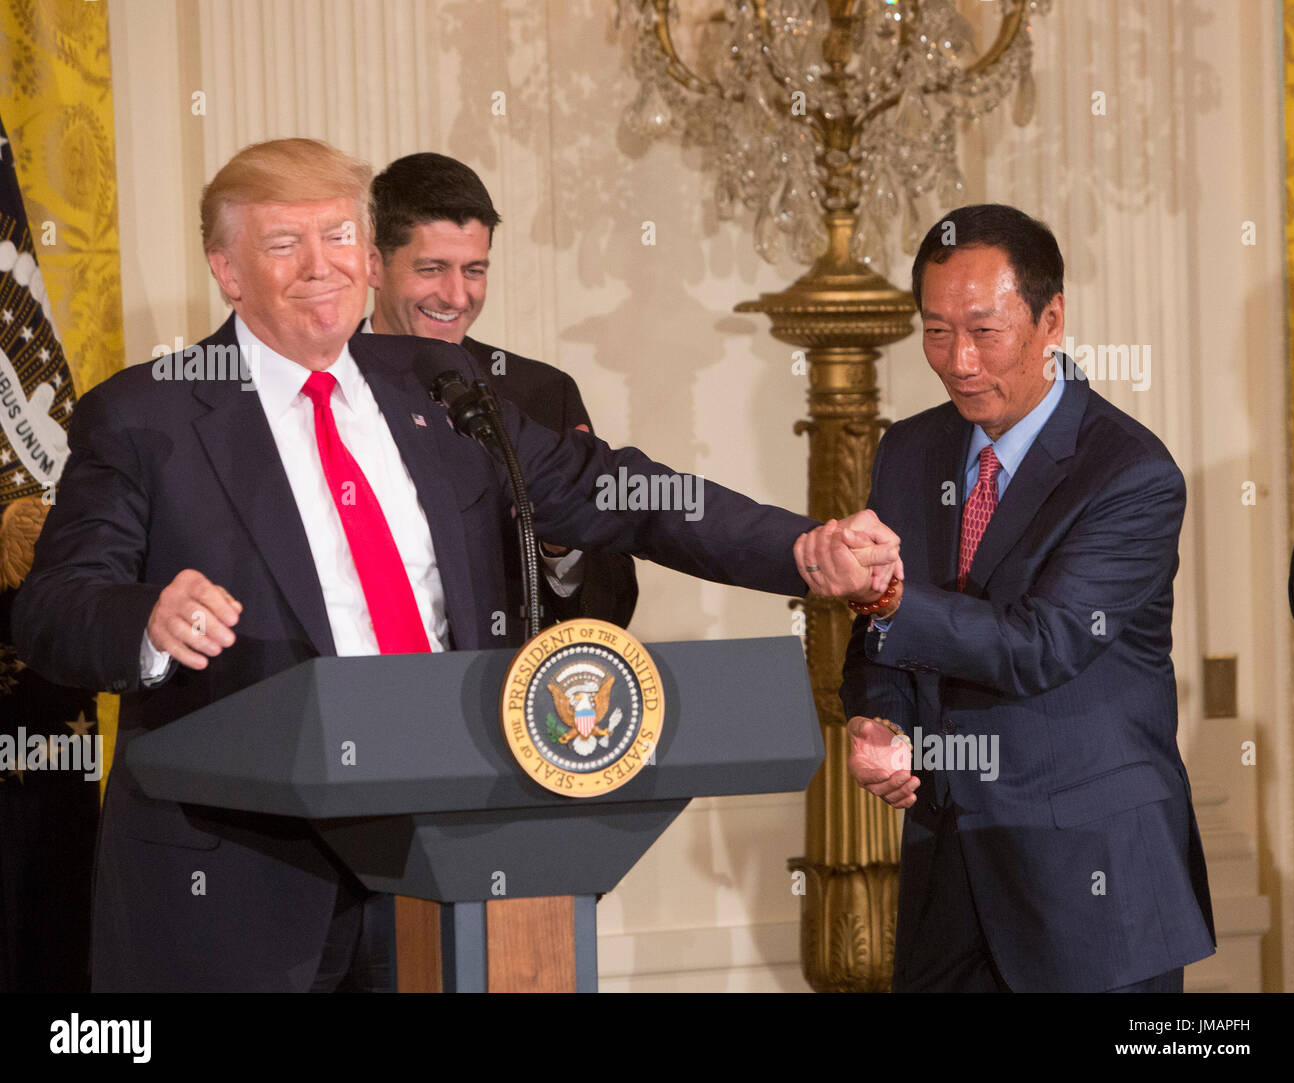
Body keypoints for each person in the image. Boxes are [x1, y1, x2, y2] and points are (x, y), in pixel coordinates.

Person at [11, 138, 885, 992]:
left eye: (340, 236)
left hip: (445, 862)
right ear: (228, 270)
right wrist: (147, 620)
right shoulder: (144, 416)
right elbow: (53, 609)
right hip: (238, 883)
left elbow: (612, 487)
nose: (323, 265)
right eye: (285, 243)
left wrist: (799, 548)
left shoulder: (435, 382)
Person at [795, 204, 1215, 993]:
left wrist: (886, 596)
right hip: (945, 883)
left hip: (1089, 889)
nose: (958, 360)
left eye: (984, 331)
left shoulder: (1129, 472)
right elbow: (879, 645)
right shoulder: (911, 449)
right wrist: (876, 719)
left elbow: (1039, 643)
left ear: (1050, 318)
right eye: (936, 330)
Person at [366, 152, 636, 630]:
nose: (456, 296)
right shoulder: (319, 385)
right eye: (431, 269)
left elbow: (608, 609)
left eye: (474, 270)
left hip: (497, 693)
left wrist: (560, 544)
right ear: (373, 265)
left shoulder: (540, 392)